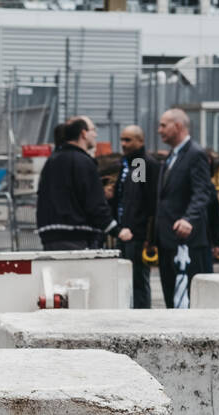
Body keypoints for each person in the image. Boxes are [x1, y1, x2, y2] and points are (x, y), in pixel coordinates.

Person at [155, 108, 213, 308]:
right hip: (166, 238)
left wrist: (189, 219)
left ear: (177, 126)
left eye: (163, 125)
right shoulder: (170, 157)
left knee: (187, 298)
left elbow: (203, 191)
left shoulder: (194, 154)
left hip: (185, 240)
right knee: (171, 294)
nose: (159, 130)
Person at [36, 117, 116, 252]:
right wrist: (116, 229)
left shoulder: (55, 161)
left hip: (56, 235)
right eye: (93, 130)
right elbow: (92, 200)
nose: (96, 134)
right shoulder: (139, 162)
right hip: (80, 235)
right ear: (83, 133)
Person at [112, 125, 158, 308]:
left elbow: (145, 201)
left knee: (138, 280)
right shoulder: (129, 164)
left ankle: (142, 316)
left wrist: (147, 236)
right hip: (126, 232)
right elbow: (130, 196)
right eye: (122, 139)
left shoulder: (141, 164)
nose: (123, 144)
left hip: (136, 234)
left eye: (128, 140)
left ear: (140, 141)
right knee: (126, 279)